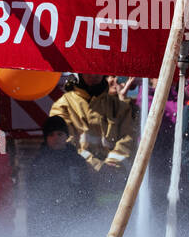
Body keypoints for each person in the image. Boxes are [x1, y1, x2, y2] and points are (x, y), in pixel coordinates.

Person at [48, 73, 138, 209]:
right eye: (89, 69)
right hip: (78, 184)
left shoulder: (118, 106)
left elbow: (128, 138)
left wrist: (112, 165)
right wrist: (95, 166)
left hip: (113, 186)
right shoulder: (63, 105)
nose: (94, 74)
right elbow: (64, 142)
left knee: (116, 225)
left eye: (98, 69)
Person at [25, 115, 91, 237]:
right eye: (51, 135)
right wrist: (34, 230)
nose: (56, 138)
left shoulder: (77, 161)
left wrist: (88, 215)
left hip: (74, 219)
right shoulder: (38, 164)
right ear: (46, 138)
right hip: (48, 221)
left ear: (66, 136)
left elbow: (87, 190)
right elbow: (32, 198)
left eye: (60, 134)